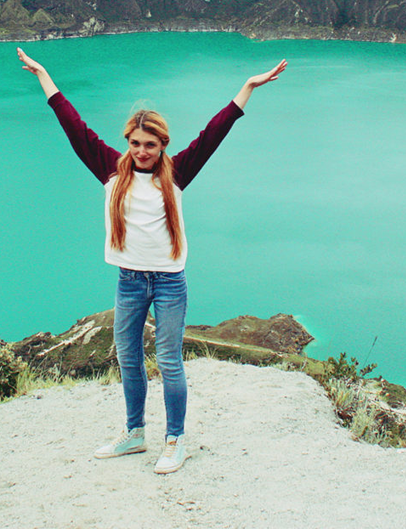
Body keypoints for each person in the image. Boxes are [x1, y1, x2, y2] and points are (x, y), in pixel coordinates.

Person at [17, 46, 286, 474]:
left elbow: (213, 134)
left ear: (163, 145)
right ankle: (134, 434)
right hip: (129, 280)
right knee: (126, 356)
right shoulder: (110, 169)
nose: (142, 151)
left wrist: (247, 89)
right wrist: (43, 76)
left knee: (168, 358)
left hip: (168, 282)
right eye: (136, 143)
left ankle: (175, 440)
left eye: (151, 145)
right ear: (128, 142)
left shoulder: (177, 172)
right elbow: (72, 124)